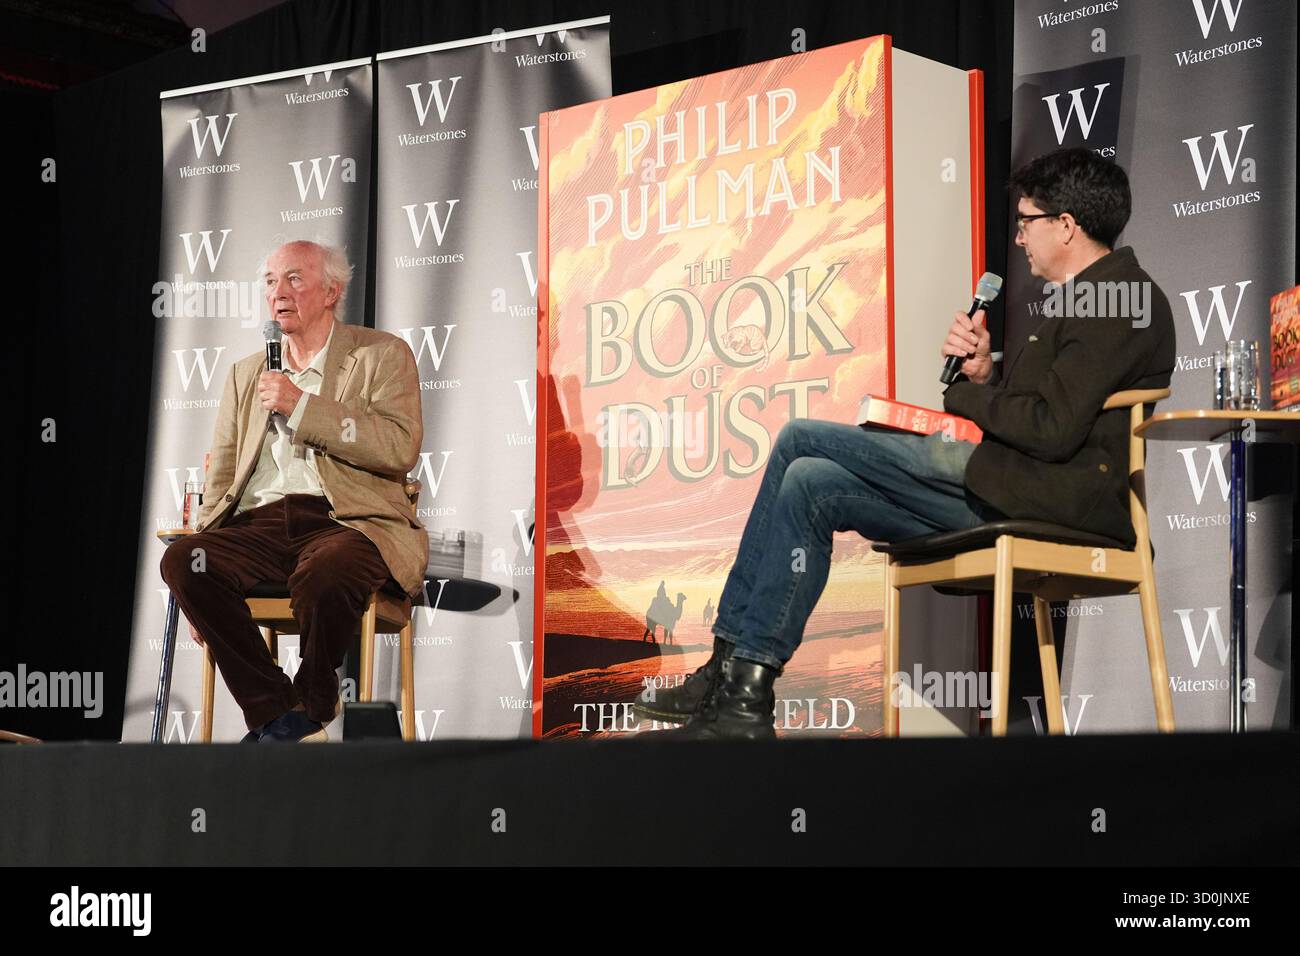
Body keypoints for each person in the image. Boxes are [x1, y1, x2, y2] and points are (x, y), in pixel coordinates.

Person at [636, 147, 1176, 740]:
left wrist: (966, 398)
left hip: (1047, 499)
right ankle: (745, 694)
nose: (1019, 238)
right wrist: (984, 375)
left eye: (1026, 222)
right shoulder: (1084, 297)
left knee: (797, 438)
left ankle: (723, 668)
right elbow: (1040, 412)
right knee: (809, 483)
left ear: (1066, 225)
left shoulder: (1119, 299)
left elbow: (1049, 429)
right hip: (1006, 483)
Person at [161, 240, 426, 742]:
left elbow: (398, 446)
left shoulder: (381, 355)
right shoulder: (247, 373)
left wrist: (302, 407)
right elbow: (221, 479)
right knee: (183, 563)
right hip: (259, 526)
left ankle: (309, 705)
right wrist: (196, 587)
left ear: (332, 291)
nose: (278, 293)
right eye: (269, 281)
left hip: (347, 519)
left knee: (328, 571)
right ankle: (285, 716)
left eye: (294, 279)